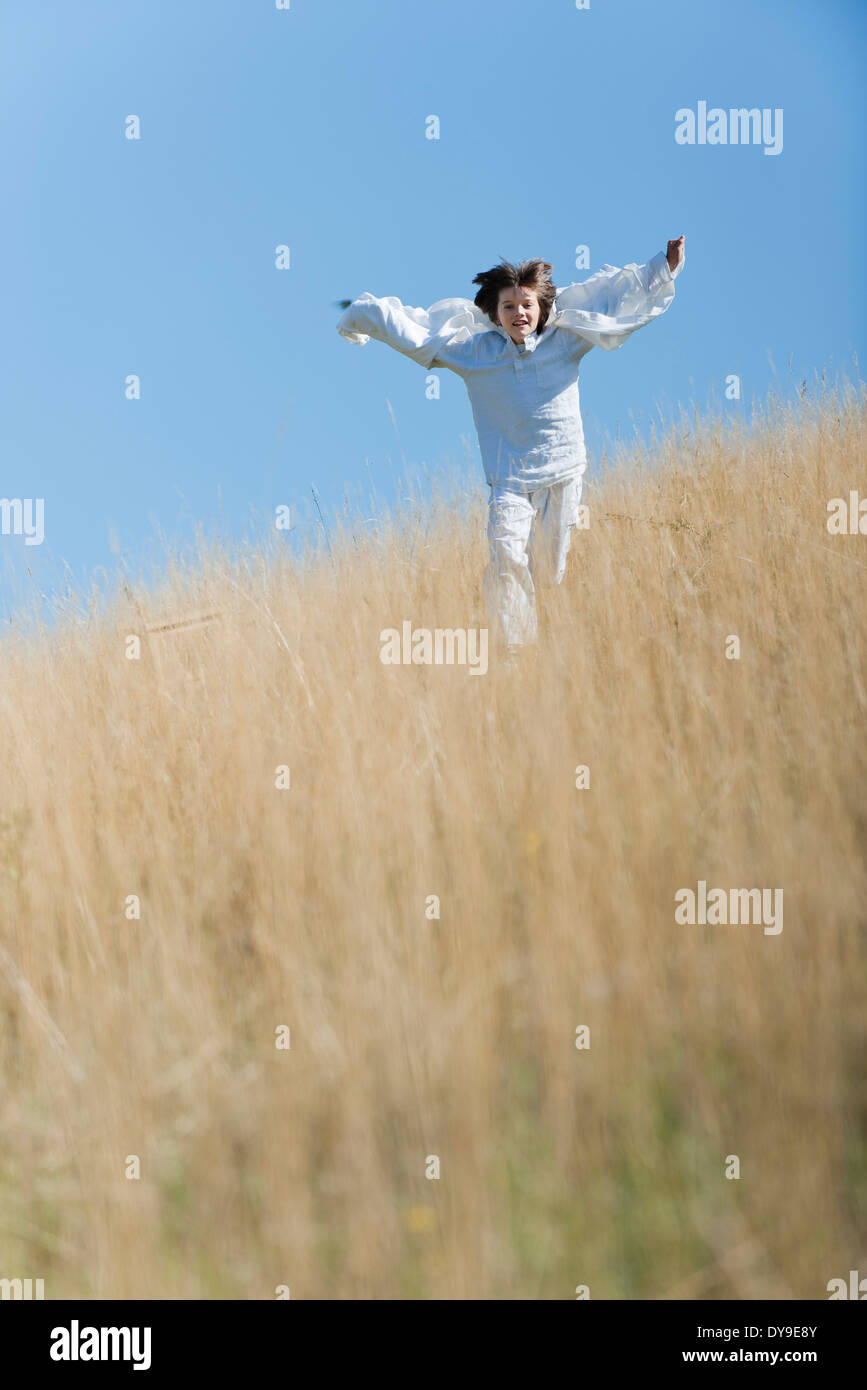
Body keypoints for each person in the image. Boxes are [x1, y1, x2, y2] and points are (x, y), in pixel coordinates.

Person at [337, 237, 685, 655]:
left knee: (549, 572)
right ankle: (515, 648)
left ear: (541, 309)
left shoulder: (568, 339)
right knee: (505, 556)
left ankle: (552, 635)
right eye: (508, 306)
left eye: (526, 305)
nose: (518, 313)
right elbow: (414, 336)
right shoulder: (474, 353)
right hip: (509, 483)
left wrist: (662, 267)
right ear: (495, 314)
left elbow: (610, 301)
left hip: (563, 473)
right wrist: (361, 315)